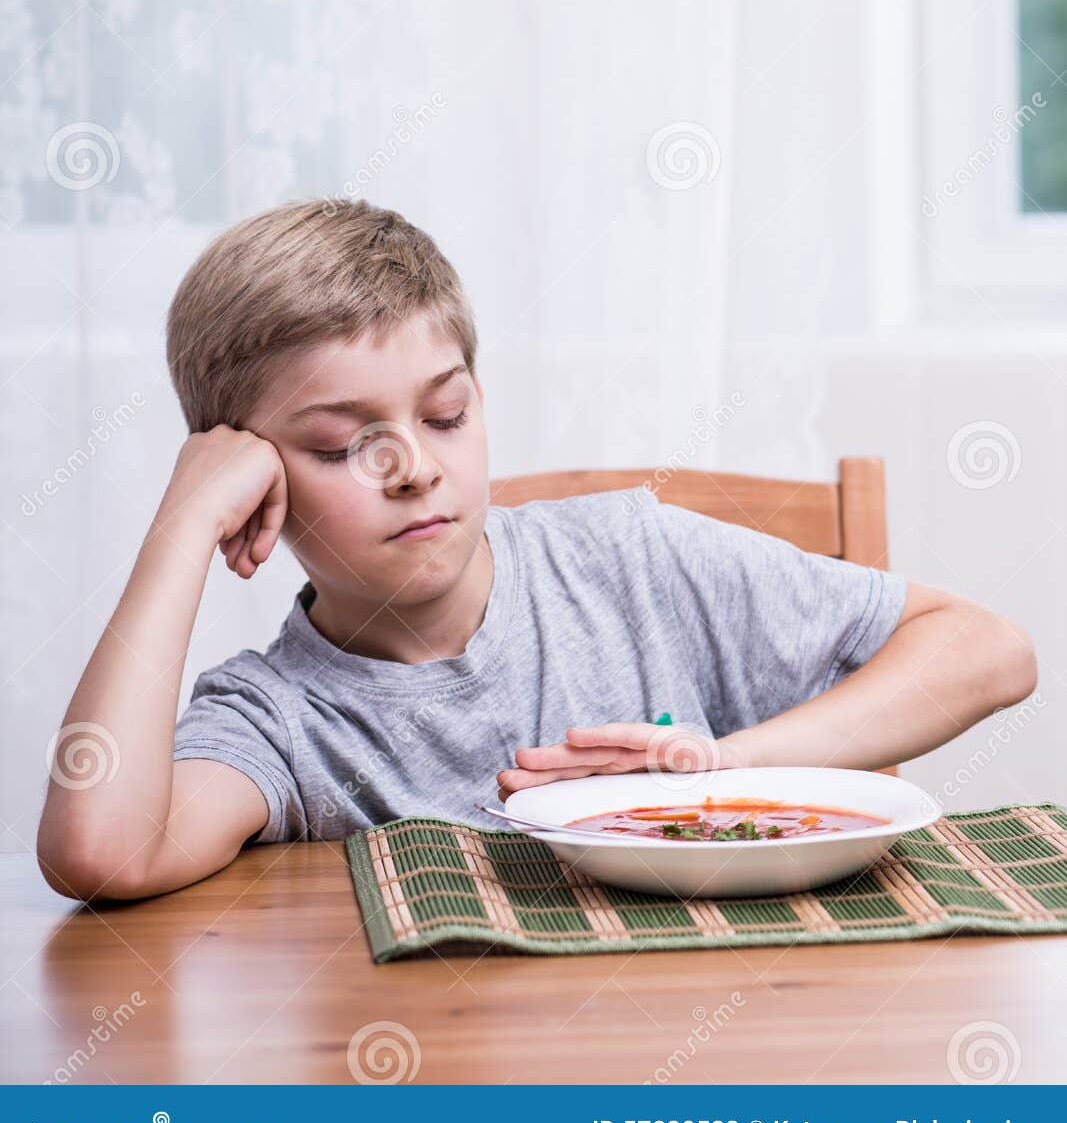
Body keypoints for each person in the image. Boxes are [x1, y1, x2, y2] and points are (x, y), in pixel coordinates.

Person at [36, 199, 1037, 901]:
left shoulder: (630, 560)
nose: (413, 467)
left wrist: (717, 770)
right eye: (344, 445)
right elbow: (100, 854)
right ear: (254, 481)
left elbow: (988, 648)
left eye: (445, 412)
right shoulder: (280, 719)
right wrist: (178, 528)